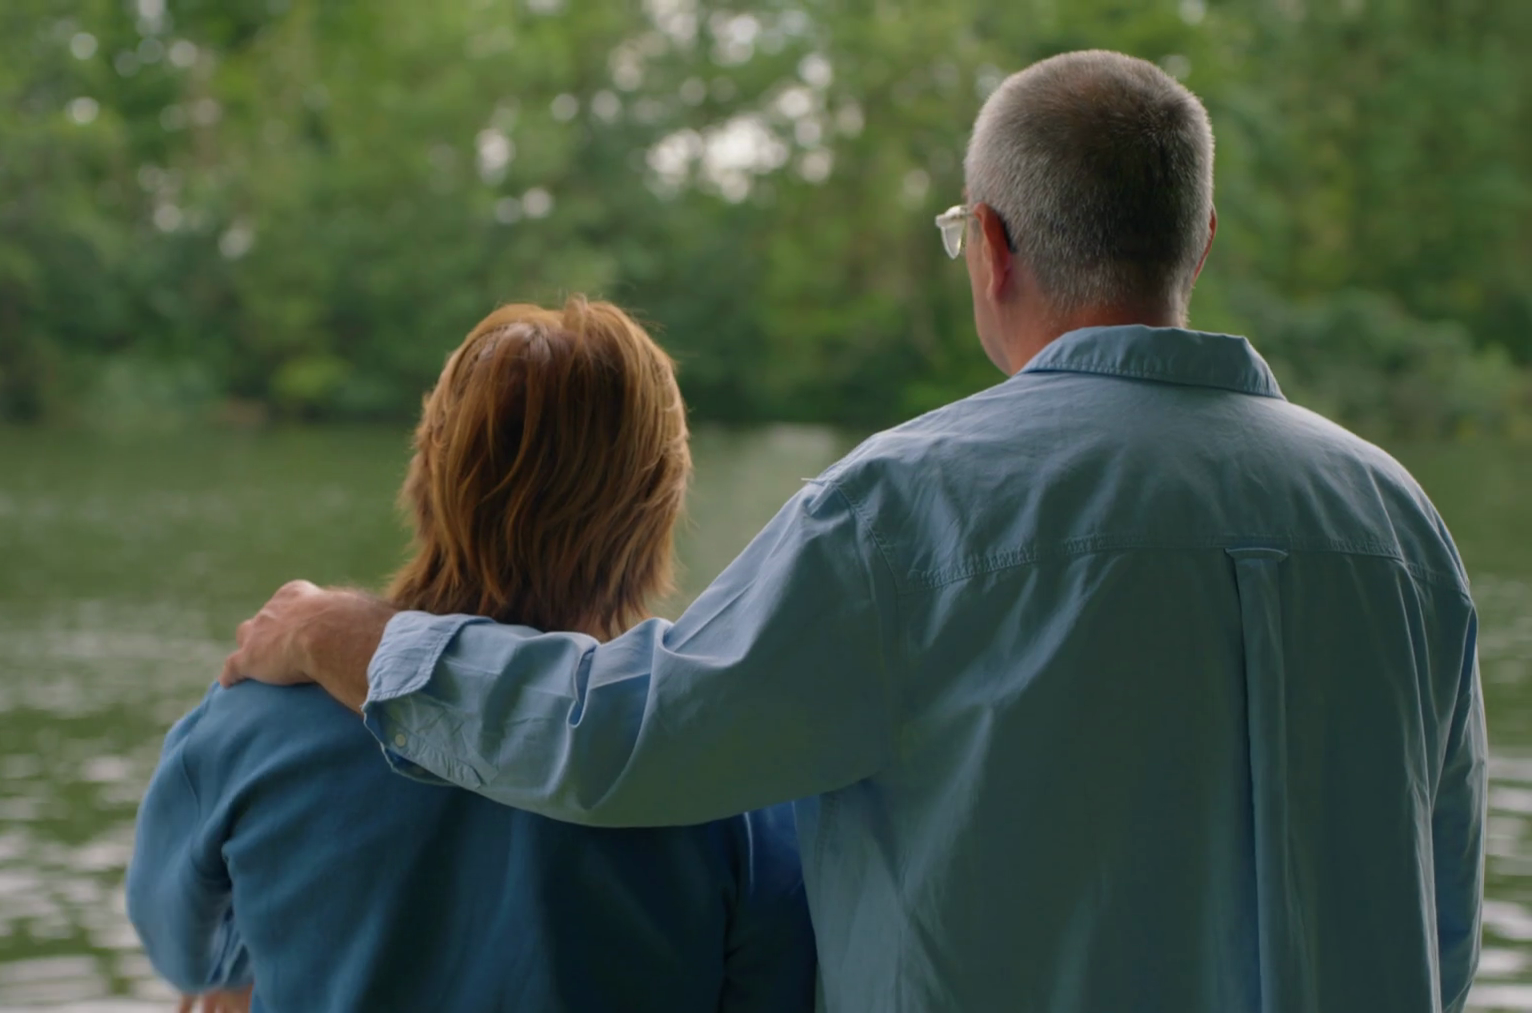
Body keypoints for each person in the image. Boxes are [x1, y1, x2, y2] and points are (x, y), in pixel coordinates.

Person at [223, 50, 1487, 1013]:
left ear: (989, 245)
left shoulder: (914, 505)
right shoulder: (1398, 522)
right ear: (1197, 240)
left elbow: (626, 737)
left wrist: (360, 637)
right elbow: (1442, 914)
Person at [127, 298, 817, 1013]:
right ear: (657, 504)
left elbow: (185, 950)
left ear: (428, 467)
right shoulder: (726, 770)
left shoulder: (246, 726)